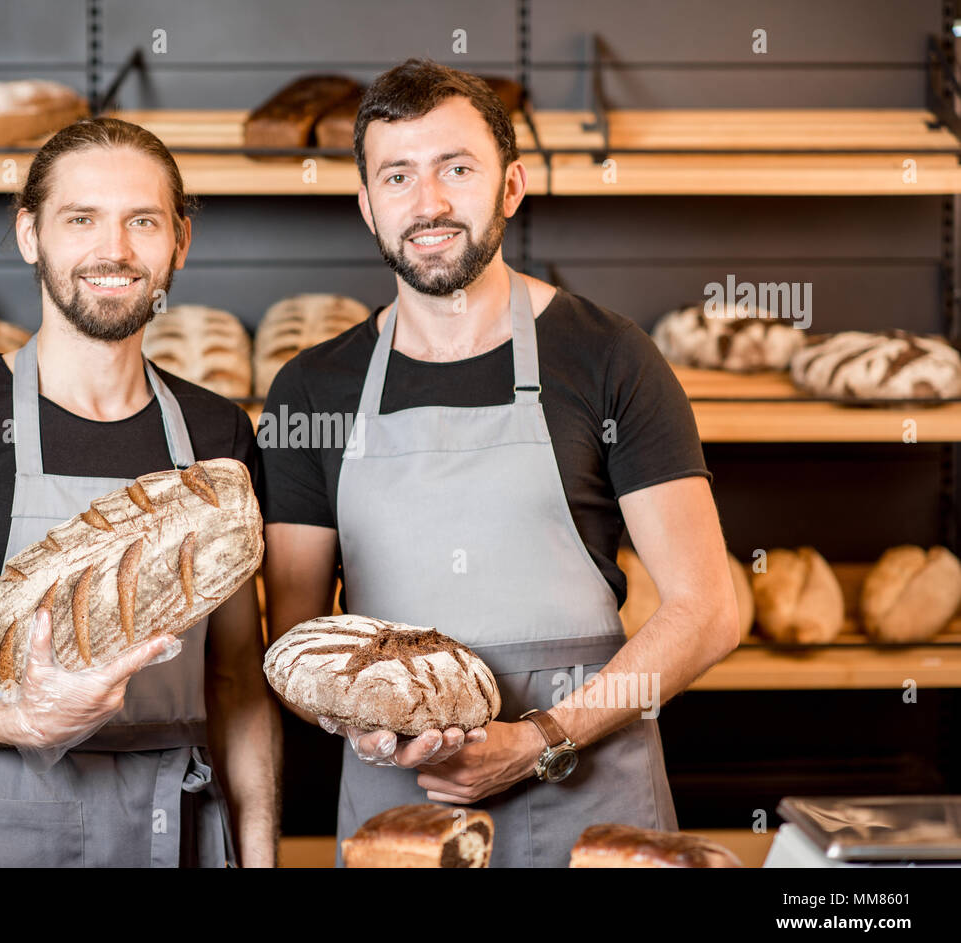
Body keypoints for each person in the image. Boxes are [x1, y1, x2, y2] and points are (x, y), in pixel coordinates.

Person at [259, 59, 740, 867]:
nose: (430, 202)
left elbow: (708, 612)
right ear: (366, 205)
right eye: (398, 175)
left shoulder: (608, 356)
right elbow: (300, 641)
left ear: (510, 186)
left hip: (592, 790)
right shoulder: (313, 387)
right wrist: (382, 730)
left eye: (457, 168)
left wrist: (541, 737)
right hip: (401, 807)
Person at [0, 117, 278, 867]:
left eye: (143, 221)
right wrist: (21, 721)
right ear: (31, 234)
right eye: (81, 220)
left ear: (180, 242)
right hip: (4, 820)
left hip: (183, 824)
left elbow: (235, 680)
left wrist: (258, 857)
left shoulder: (215, 431)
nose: (114, 251)